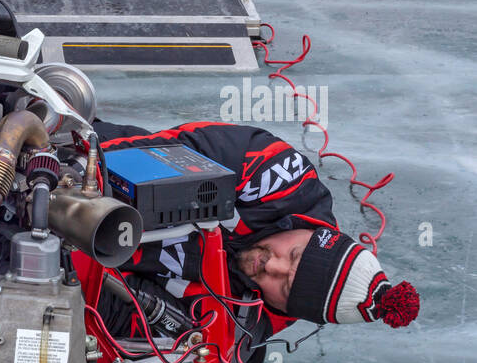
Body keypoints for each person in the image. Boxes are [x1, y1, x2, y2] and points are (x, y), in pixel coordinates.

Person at [90, 119, 419, 346]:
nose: (272, 267)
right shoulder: (281, 175)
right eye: (294, 255)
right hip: (88, 171)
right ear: (311, 230)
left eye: (285, 286)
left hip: (88, 262)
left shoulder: (245, 322)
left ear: (287, 309)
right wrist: (76, 172)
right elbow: (166, 154)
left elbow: (121, 320)